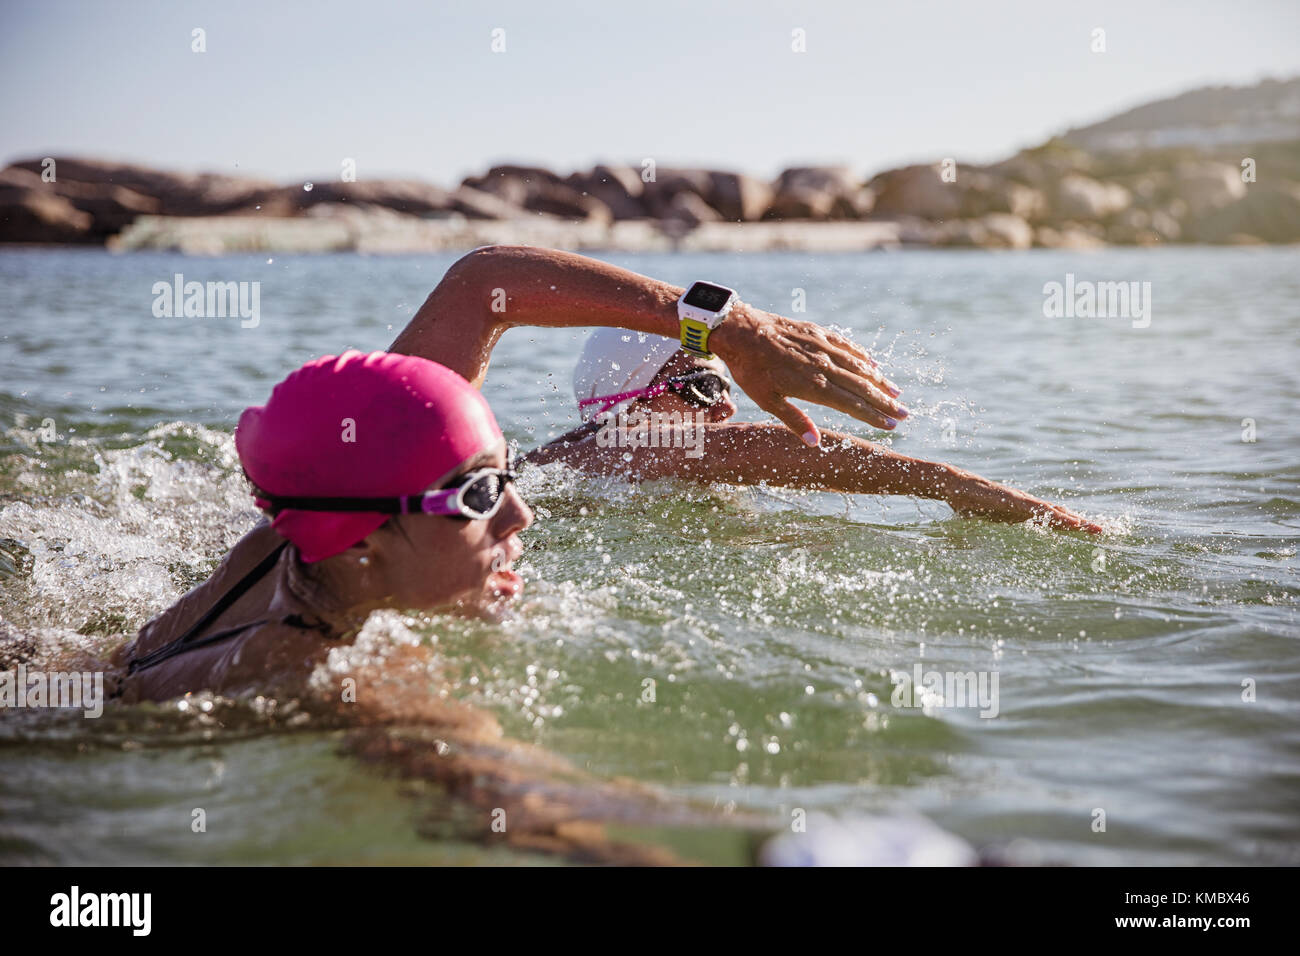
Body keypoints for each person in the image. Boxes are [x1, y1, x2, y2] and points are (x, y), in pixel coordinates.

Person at [109, 245, 911, 702]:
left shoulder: (311, 519)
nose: (520, 514)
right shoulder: (319, 675)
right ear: (363, 547)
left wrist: (728, 325)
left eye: (501, 477)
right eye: (479, 493)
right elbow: (528, 807)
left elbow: (479, 286)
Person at [524, 328, 1103, 532]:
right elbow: (763, 445)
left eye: (729, 390)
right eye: (704, 389)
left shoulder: (558, 463)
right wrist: (950, 484)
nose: (726, 411)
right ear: (628, 401)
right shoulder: (620, 447)